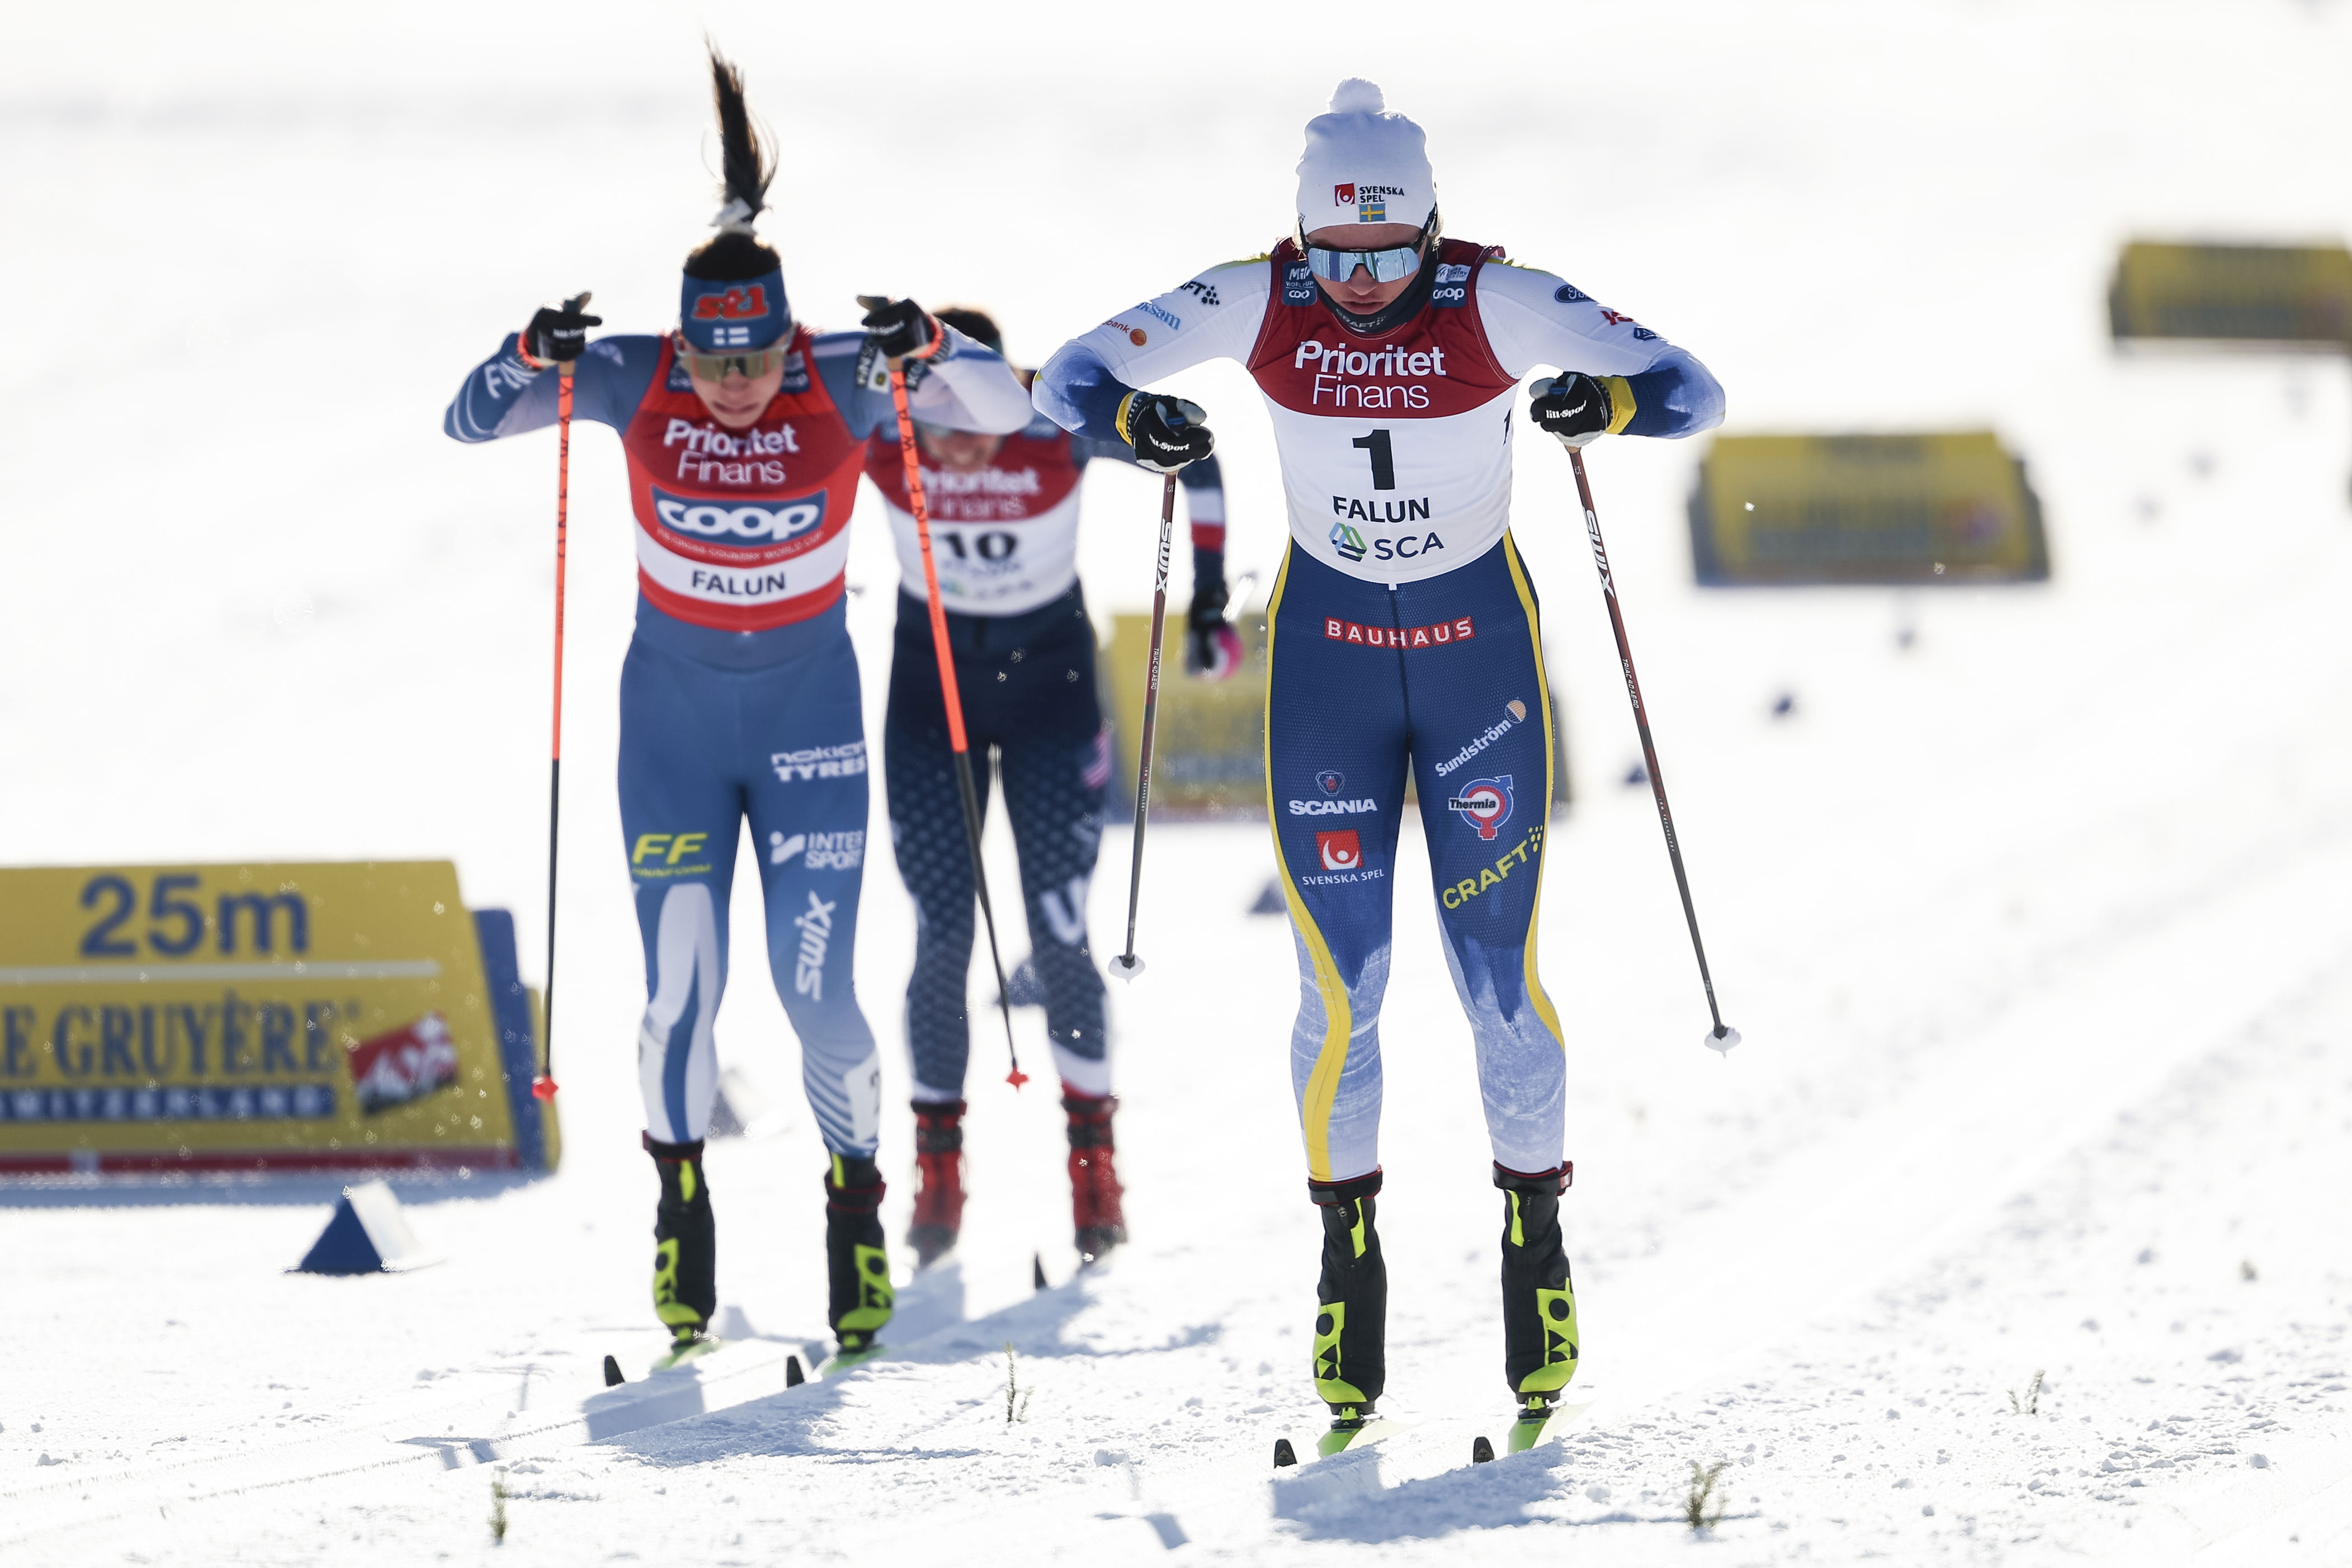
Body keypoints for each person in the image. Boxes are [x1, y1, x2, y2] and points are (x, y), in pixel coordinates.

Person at [1033, 79, 1724, 1447]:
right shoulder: (1260, 296)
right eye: (1333, 256)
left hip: (1476, 660)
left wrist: (1609, 404)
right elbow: (1067, 379)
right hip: (1331, 667)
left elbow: (1693, 390)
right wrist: (1133, 429)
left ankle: (1536, 1242)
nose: (1357, 286)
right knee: (1343, 991)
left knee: (1496, 986)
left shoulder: (1493, 301)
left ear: (1433, 233)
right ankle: (1349, 1265)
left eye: (1387, 255)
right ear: (1299, 239)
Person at [442, 51, 1031, 1363]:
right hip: (673, 729)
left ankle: (854, 1203)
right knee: (679, 997)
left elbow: (1010, 404)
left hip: (811, 724)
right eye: (713, 365)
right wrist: (524, 354)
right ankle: (681, 1205)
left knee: (818, 997)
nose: (733, 386)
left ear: (782, 336)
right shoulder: (633, 375)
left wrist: (930, 345)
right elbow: (466, 423)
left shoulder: (842, 372)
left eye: (753, 360)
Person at [864, 307, 1235, 1269]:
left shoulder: (1047, 414)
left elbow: (1193, 452)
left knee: (1060, 929)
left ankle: (1093, 1168)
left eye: (971, 427)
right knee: (942, 933)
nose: (959, 450)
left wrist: (1209, 594)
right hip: (927, 690)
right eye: (935, 432)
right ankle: (936, 1170)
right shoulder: (884, 418)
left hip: (1050, 693)